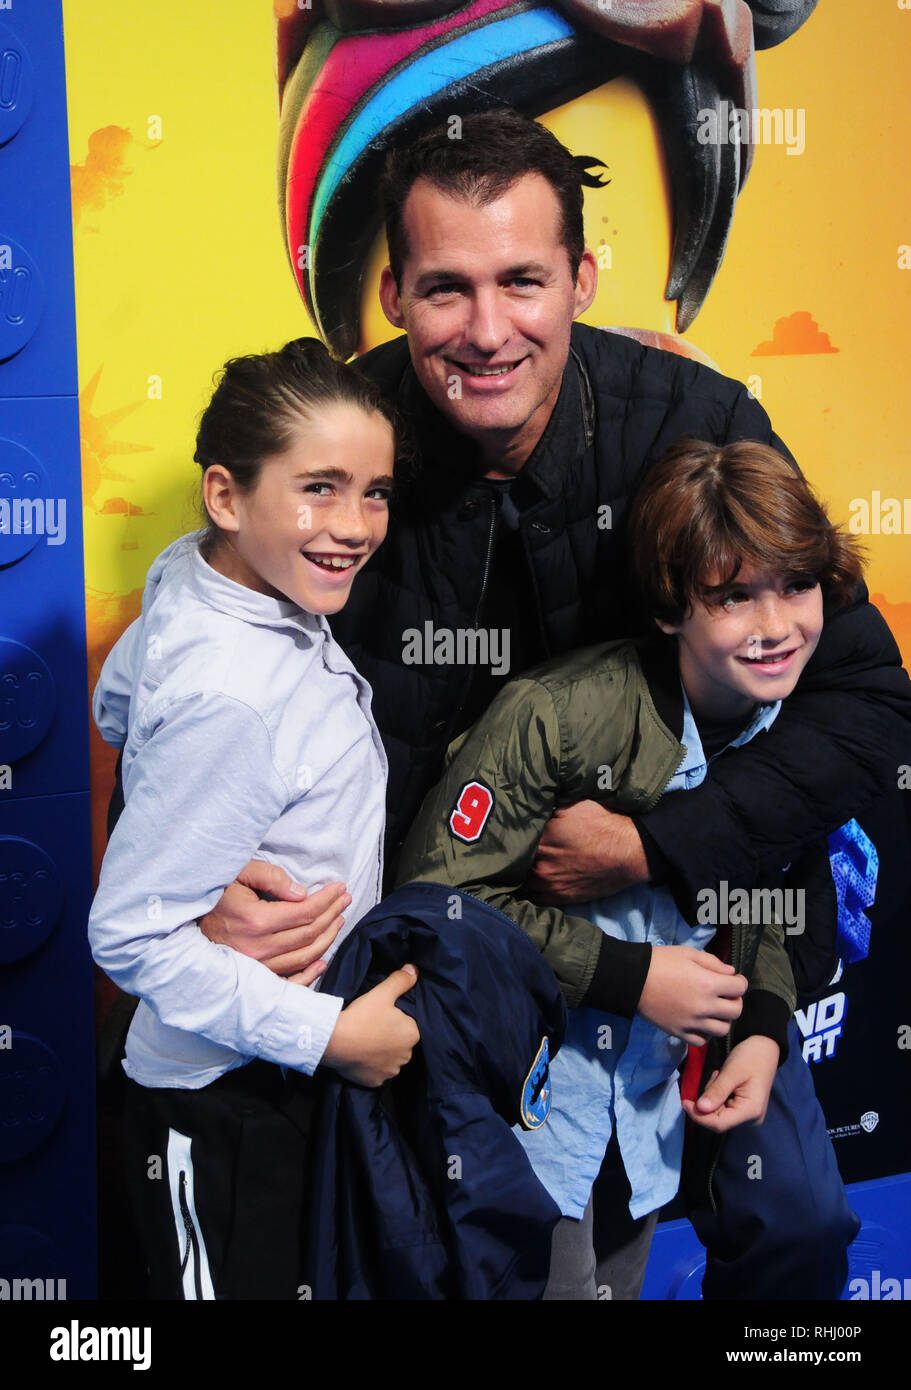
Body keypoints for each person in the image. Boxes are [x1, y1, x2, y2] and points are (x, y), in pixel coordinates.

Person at [198, 110, 910, 1299]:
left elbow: (861, 697)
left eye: (522, 281)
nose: (486, 332)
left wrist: (655, 847)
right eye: (444, 289)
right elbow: (202, 646)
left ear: (580, 278)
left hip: (677, 928)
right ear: (388, 293)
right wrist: (202, 869)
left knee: (780, 1221)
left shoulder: (694, 423)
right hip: (431, 952)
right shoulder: (332, 444)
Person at [394, 437, 865, 1299]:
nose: (774, 626)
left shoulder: (795, 723)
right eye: (731, 596)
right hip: (531, 1098)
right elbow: (436, 901)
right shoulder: (556, 718)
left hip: (644, 1105)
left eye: (796, 585)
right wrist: (629, 974)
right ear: (668, 606)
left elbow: (761, 888)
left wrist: (760, 1023)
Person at [89, 339, 420, 1300]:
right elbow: (128, 932)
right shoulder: (234, 694)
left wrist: (206, 838)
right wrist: (328, 1039)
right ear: (227, 497)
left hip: (276, 1081)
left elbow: (121, 702)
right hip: (223, 1102)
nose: (354, 526)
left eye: (375, 492)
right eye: (318, 488)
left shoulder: (197, 576)